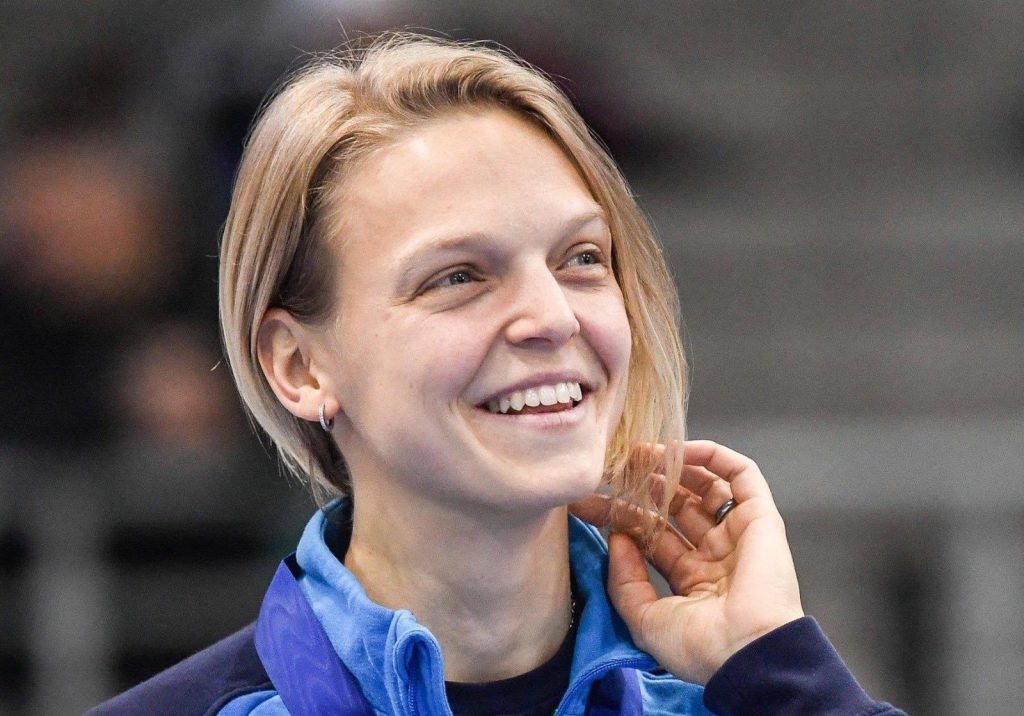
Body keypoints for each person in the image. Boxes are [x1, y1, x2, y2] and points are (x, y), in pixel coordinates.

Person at [89, 33, 905, 715]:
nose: (553, 317)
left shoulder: (754, 695)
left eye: (582, 259)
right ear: (300, 366)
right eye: (459, 277)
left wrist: (774, 667)